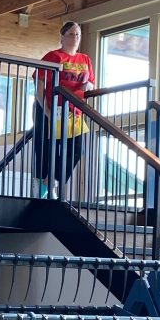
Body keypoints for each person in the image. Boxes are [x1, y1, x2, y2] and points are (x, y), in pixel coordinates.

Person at [33, 21, 95, 198]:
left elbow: (90, 82)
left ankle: (50, 182)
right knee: (47, 148)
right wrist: (45, 109)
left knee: (76, 150)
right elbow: (39, 82)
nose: (75, 37)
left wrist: (88, 85)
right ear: (62, 37)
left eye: (78, 34)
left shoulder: (85, 59)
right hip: (51, 108)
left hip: (74, 111)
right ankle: (41, 183)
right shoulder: (53, 56)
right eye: (71, 34)